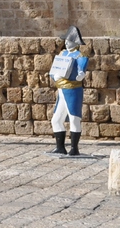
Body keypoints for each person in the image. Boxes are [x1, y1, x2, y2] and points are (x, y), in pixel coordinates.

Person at [49, 25, 90, 156]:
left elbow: (81, 70)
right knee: (56, 119)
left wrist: (81, 75)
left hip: (73, 90)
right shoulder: (62, 54)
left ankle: (74, 148)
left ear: (75, 42)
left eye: (69, 40)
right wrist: (54, 75)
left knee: (74, 118)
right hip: (62, 89)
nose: (66, 43)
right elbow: (54, 68)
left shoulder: (80, 56)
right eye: (66, 40)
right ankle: (60, 147)